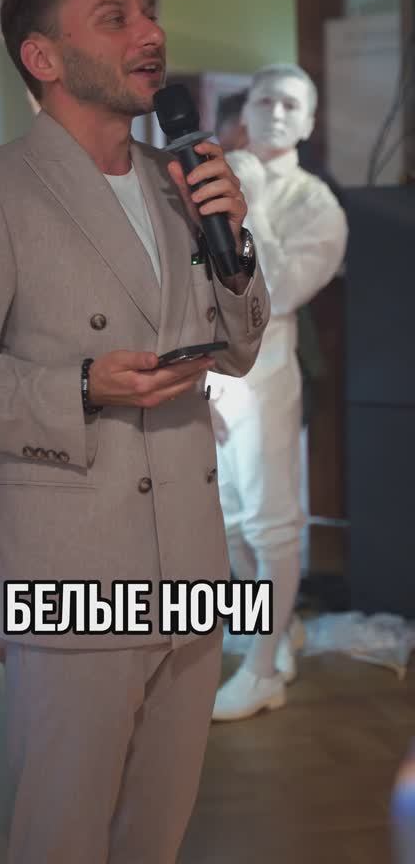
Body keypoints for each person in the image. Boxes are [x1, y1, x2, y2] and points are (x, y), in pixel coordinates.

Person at [0, 0, 270, 864]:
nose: (150, 33)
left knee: (156, 839)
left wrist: (236, 244)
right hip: (69, 575)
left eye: (149, 13)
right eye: (116, 18)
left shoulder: (182, 184)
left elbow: (240, 349)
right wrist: (79, 387)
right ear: (44, 56)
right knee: (59, 840)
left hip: (191, 568)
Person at [209, 63, 348, 721]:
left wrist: (254, 202)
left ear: (309, 122)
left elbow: (283, 290)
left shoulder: (316, 203)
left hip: (267, 368)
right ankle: (273, 629)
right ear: (245, 111)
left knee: (271, 519)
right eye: (265, 99)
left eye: (292, 104)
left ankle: (263, 668)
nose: (276, 112)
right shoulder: (212, 178)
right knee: (227, 515)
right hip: (206, 367)